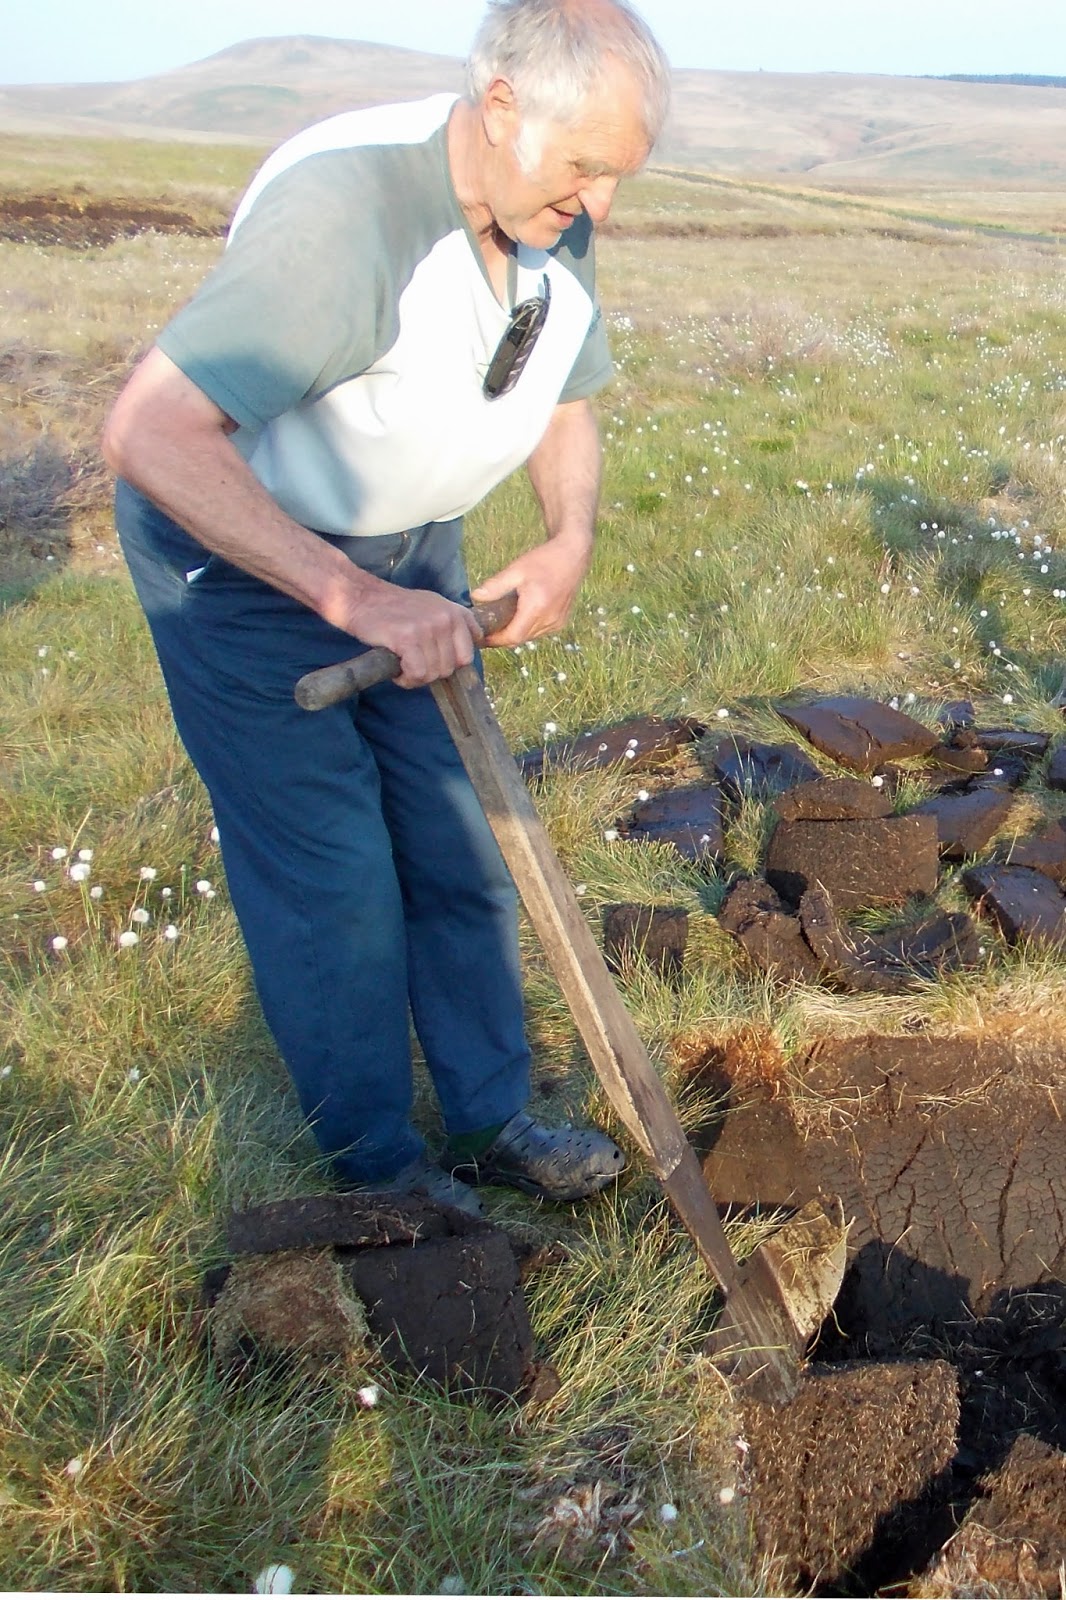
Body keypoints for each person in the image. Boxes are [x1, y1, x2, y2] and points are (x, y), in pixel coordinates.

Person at [102, 0, 671, 1217]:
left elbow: (561, 391)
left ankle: (486, 1115)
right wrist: (349, 594)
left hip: (408, 556)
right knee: (335, 876)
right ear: (501, 104)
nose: (601, 206)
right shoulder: (346, 224)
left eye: (619, 175)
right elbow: (148, 432)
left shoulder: (547, 209)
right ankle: (376, 1166)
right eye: (585, 169)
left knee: (455, 843)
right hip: (250, 567)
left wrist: (566, 537)